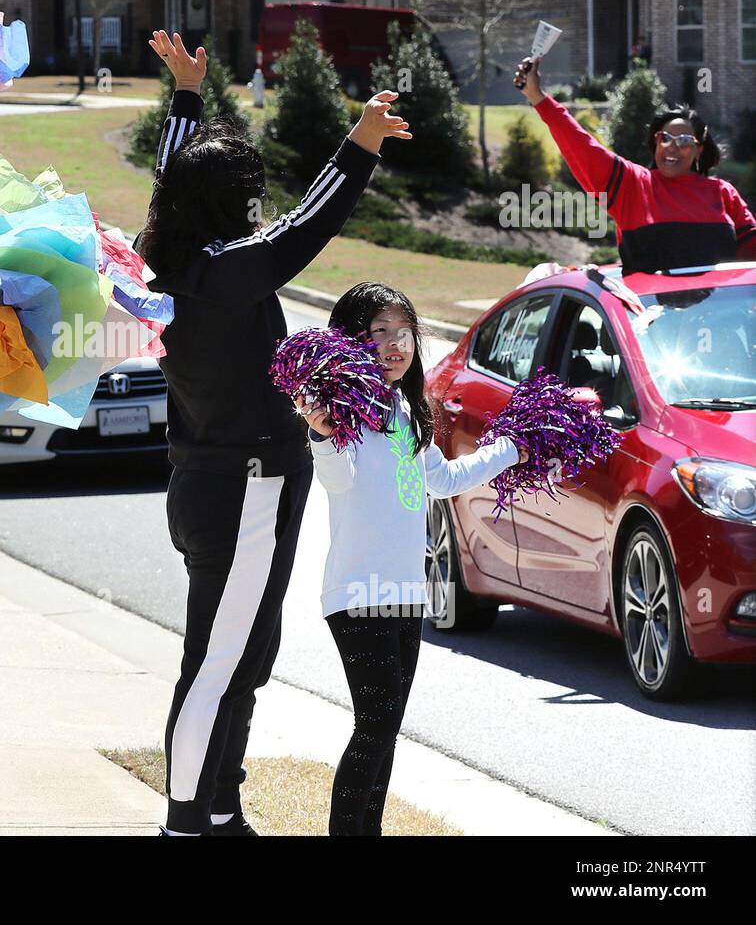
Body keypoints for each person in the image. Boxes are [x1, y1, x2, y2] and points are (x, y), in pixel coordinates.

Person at [136, 30, 411, 836]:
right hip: (247, 488)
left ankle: (220, 808)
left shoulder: (168, 253)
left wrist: (189, 97)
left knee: (241, 659)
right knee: (220, 666)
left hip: (214, 483)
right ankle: (188, 822)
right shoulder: (225, 272)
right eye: (246, 190)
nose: (257, 200)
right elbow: (306, 226)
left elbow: (167, 188)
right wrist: (358, 143)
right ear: (230, 205)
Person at [298, 282, 528, 835]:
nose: (396, 344)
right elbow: (338, 481)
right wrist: (322, 437)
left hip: (406, 591)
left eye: (404, 332)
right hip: (358, 593)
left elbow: (444, 480)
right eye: (381, 331)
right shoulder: (341, 408)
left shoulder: (404, 406)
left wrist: (517, 444)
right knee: (375, 722)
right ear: (352, 337)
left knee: (387, 725)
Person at [515, 55, 755, 273]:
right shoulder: (634, 185)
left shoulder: (723, 193)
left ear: (698, 149)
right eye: (665, 139)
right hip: (651, 319)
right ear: (656, 143)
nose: (672, 147)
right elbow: (582, 145)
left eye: (683, 141)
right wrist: (538, 98)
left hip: (715, 319)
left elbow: (750, 259)